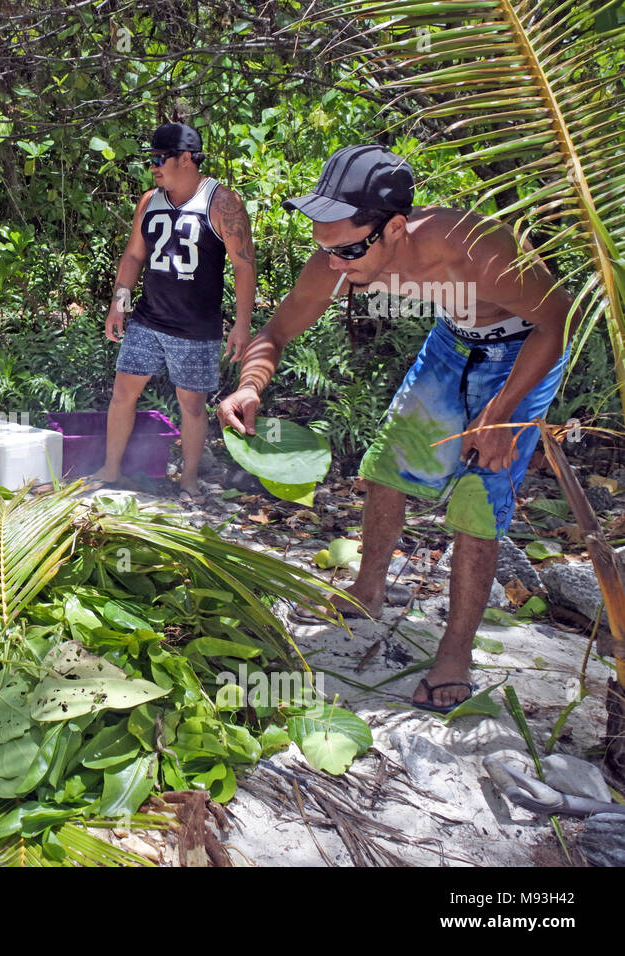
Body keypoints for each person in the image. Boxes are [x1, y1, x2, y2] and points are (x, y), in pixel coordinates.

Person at [216, 144, 576, 713]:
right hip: (455, 341)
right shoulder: (339, 255)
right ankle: (368, 590)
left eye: (347, 249)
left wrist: (502, 414)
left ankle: (455, 653)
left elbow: (557, 319)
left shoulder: (475, 249)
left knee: (478, 504)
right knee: (386, 468)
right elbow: (277, 331)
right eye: (324, 248)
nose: (334, 264)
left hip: (524, 351)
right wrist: (250, 385)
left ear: (396, 229)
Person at [94, 122, 255, 502]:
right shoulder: (149, 201)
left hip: (196, 327)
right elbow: (135, 254)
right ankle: (111, 470)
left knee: (192, 406)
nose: (153, 166)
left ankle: (188, 481)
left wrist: (242, 324)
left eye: (159, 159)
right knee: (122, 393)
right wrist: (119, 301)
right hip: (148, 320)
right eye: (150, 159)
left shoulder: (222, 203)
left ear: (186, 159)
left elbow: (243, 265)